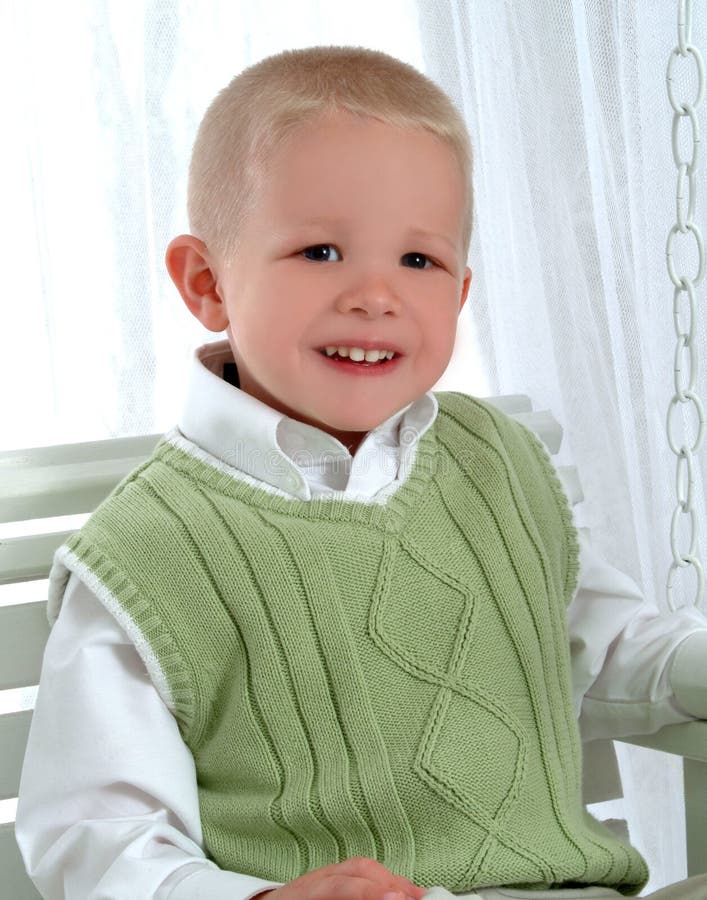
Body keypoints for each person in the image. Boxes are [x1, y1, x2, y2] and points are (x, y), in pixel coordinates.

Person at [16, 45, 707, 900]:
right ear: (207, 283)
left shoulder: (493, 462)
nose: (375, 294)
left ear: (458, 293)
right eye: (319, 252)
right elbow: (100, 840)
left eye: (417, 262)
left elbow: (601, 653)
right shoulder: (151, 552)